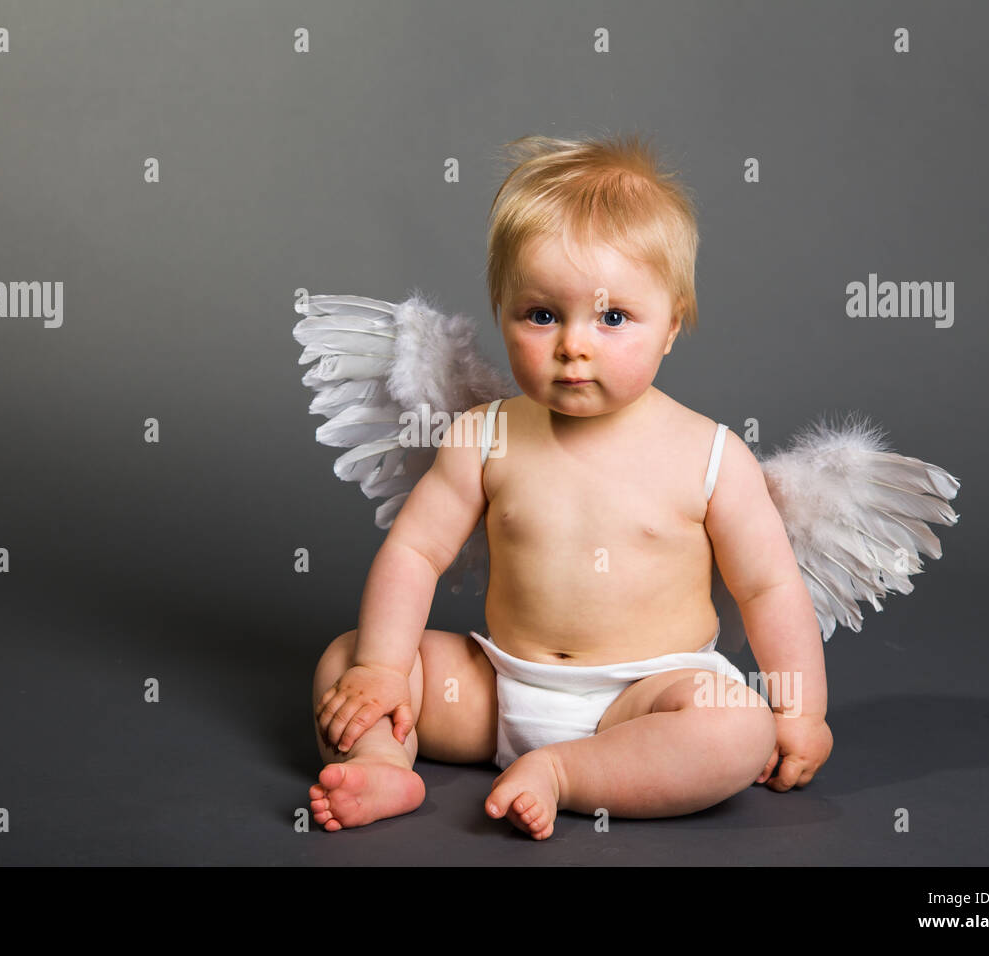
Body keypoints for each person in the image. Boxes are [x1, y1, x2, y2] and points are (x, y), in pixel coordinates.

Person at [309, 133, 833, 839]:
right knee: (346, 658)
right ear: (501, 309)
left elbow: (770, 588)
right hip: (493, 693)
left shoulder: (711, 455)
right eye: (542, 315)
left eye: (613, 318)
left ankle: (569, 772)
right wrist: (381, 667)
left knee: (737, 727)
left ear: (672, 323)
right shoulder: (484, 435)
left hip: (647, 702)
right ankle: (384, 764)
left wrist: (802, 712)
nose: (573, 346)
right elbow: (415, 552)